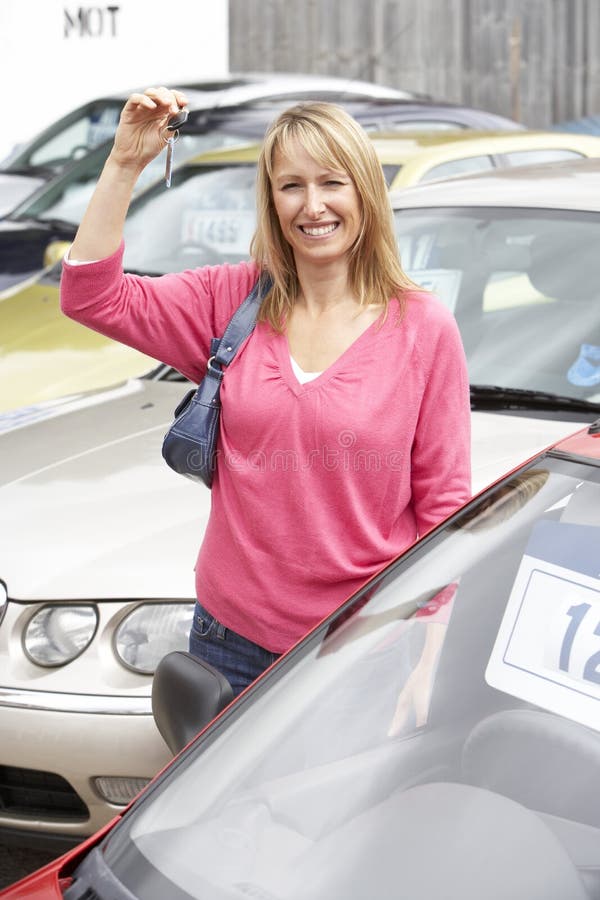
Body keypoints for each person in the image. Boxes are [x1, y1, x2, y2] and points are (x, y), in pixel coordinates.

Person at [60, 86, 472, 697]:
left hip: (366, 646)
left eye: (333, 182)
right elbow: (92, 296)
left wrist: (431, 651)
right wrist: (124, 162)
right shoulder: (229, 300)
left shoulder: (422, 326)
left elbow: (445, 507)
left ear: (365, 191)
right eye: (291, 186)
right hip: (228, 643)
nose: (313, 206)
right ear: (271, 199)